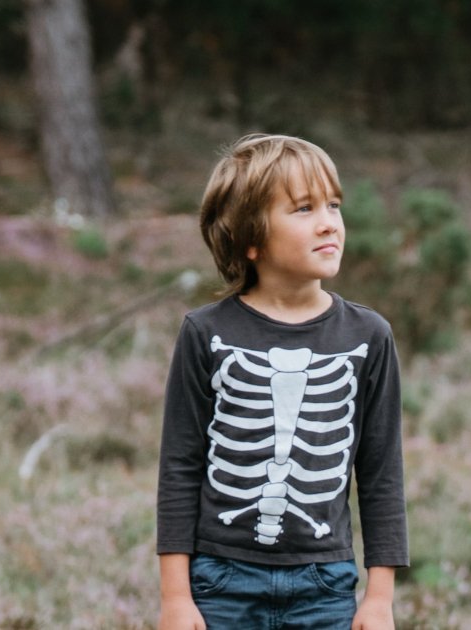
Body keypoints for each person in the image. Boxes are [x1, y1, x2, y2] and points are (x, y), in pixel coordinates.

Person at [157, 134, 408, 629]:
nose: (329, 222)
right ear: (250, 238)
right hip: (219, 581)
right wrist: (175, 597)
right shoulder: (205, 333)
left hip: (325, 585)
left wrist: (380, 598)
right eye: (303, 208)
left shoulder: (369, 336)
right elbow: (179, 468)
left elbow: (382, 473)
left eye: (333, 205)